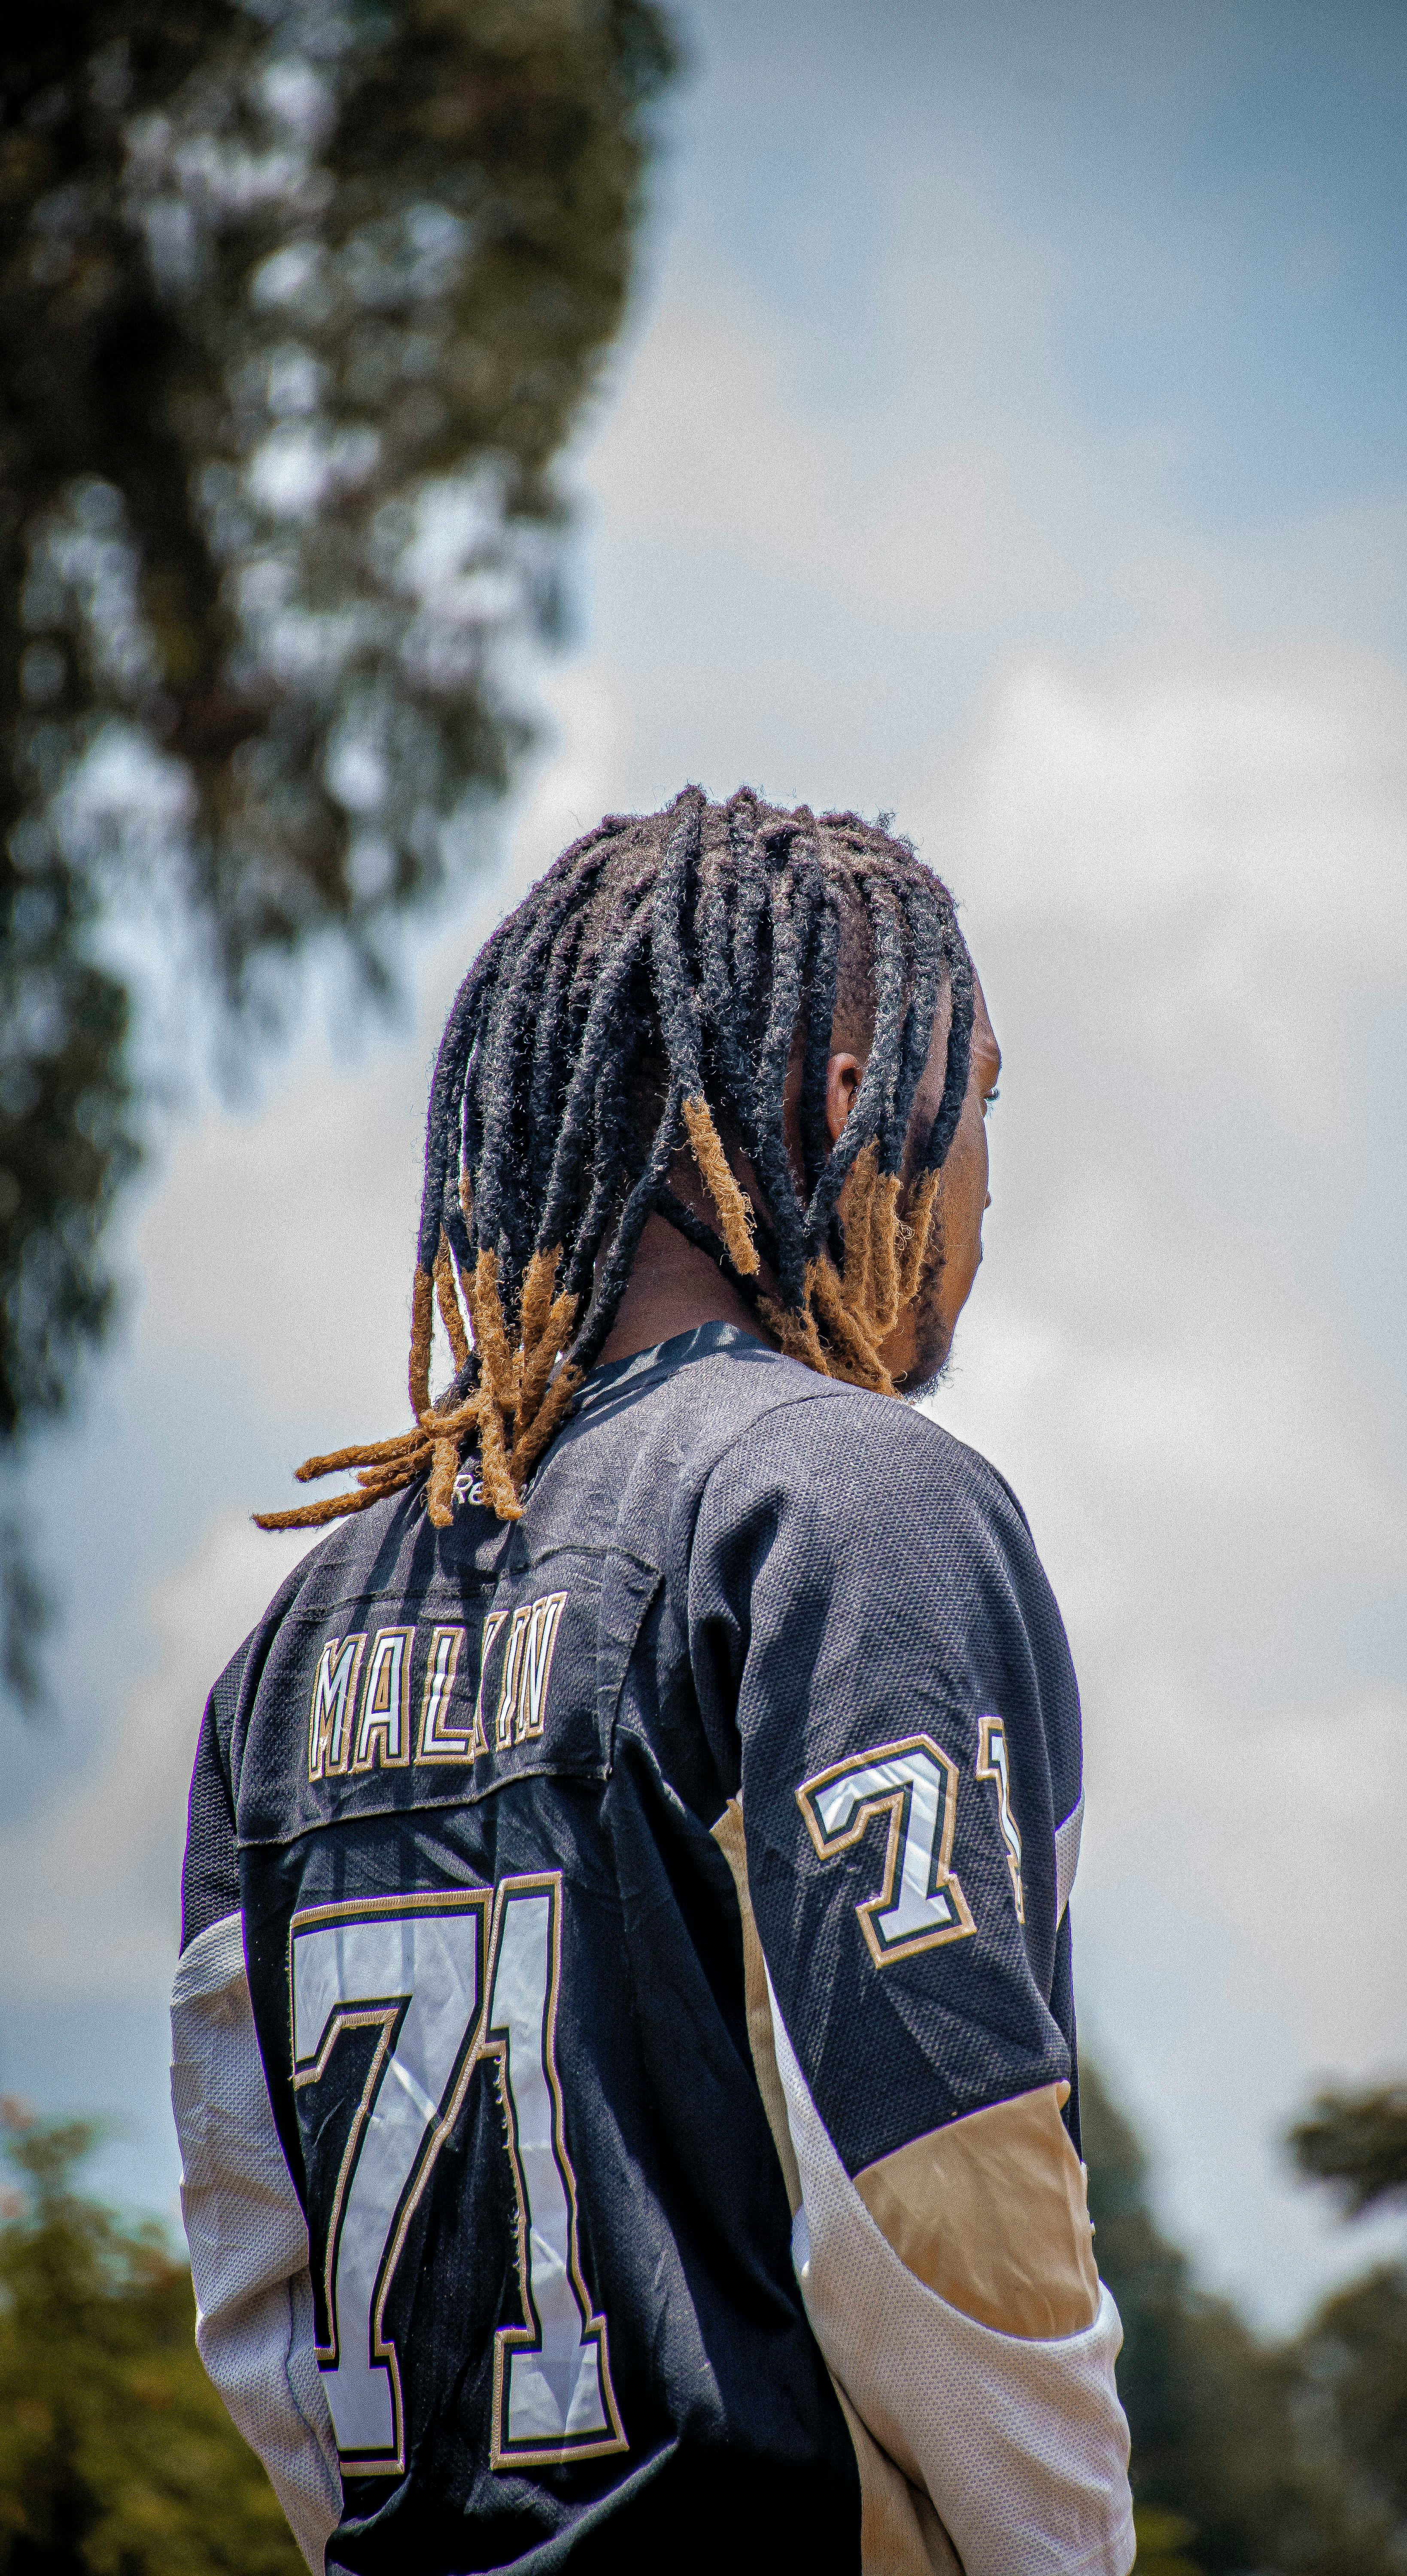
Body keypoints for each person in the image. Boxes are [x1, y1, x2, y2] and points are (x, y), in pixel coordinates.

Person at [170, 788, 1133, 2575]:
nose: (991, 1174)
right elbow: (938, 2181)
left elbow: (255, 2273)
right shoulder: (852, 1506)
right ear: (859, 1110)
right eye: (980, 1097)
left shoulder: (283, 1652)